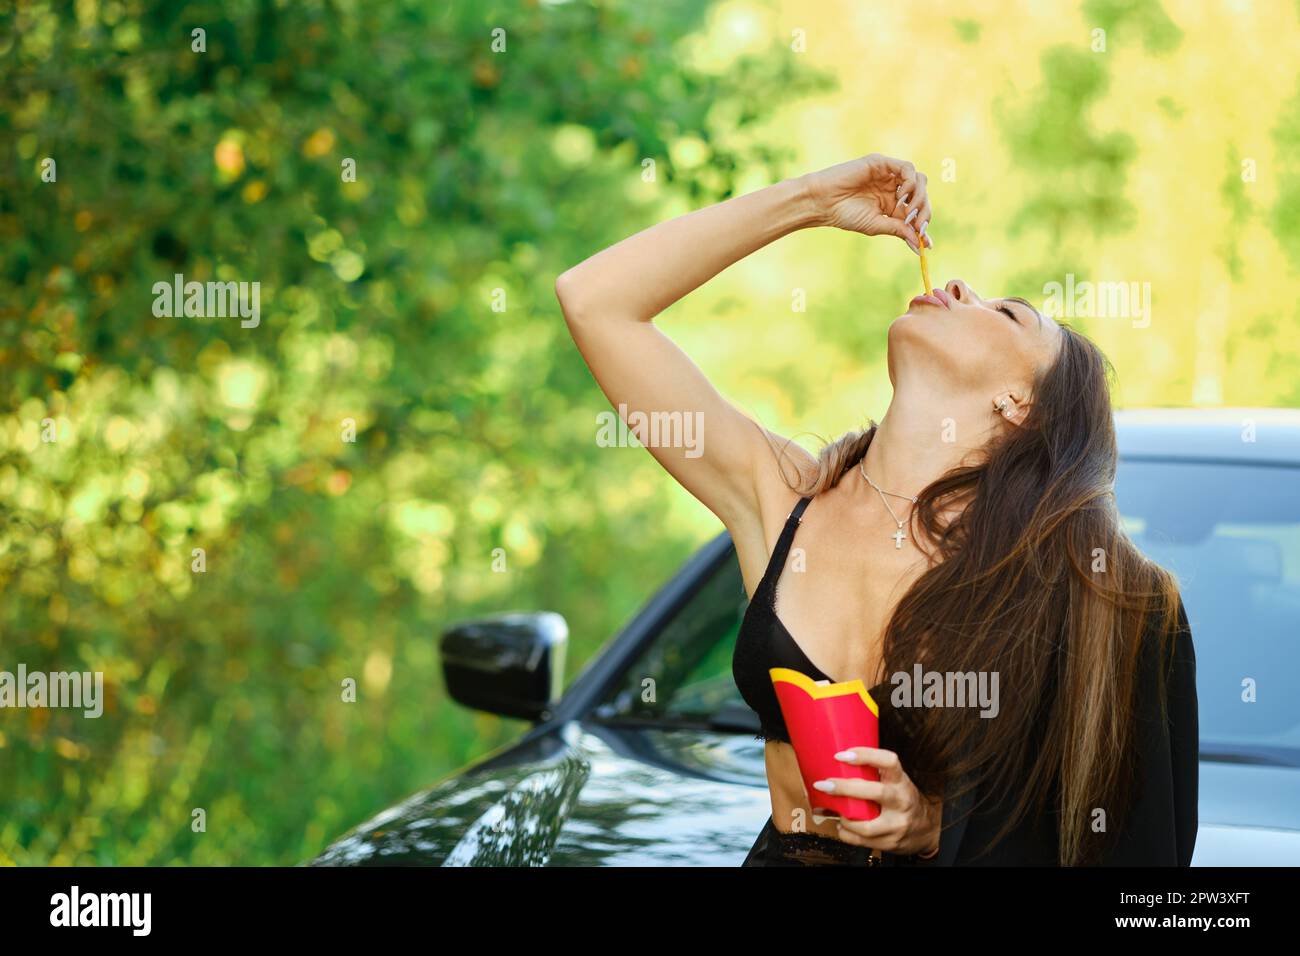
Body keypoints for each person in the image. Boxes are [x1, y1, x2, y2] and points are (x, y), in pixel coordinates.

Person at [554, 153, 1197, 866]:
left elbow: (1134, 856)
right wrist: (812, 200)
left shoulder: (1090, 595)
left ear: (1020, 406)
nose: (959, 287)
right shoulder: (784, 501)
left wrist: (934, 827)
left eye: (1008, 313)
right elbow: (594, 299)